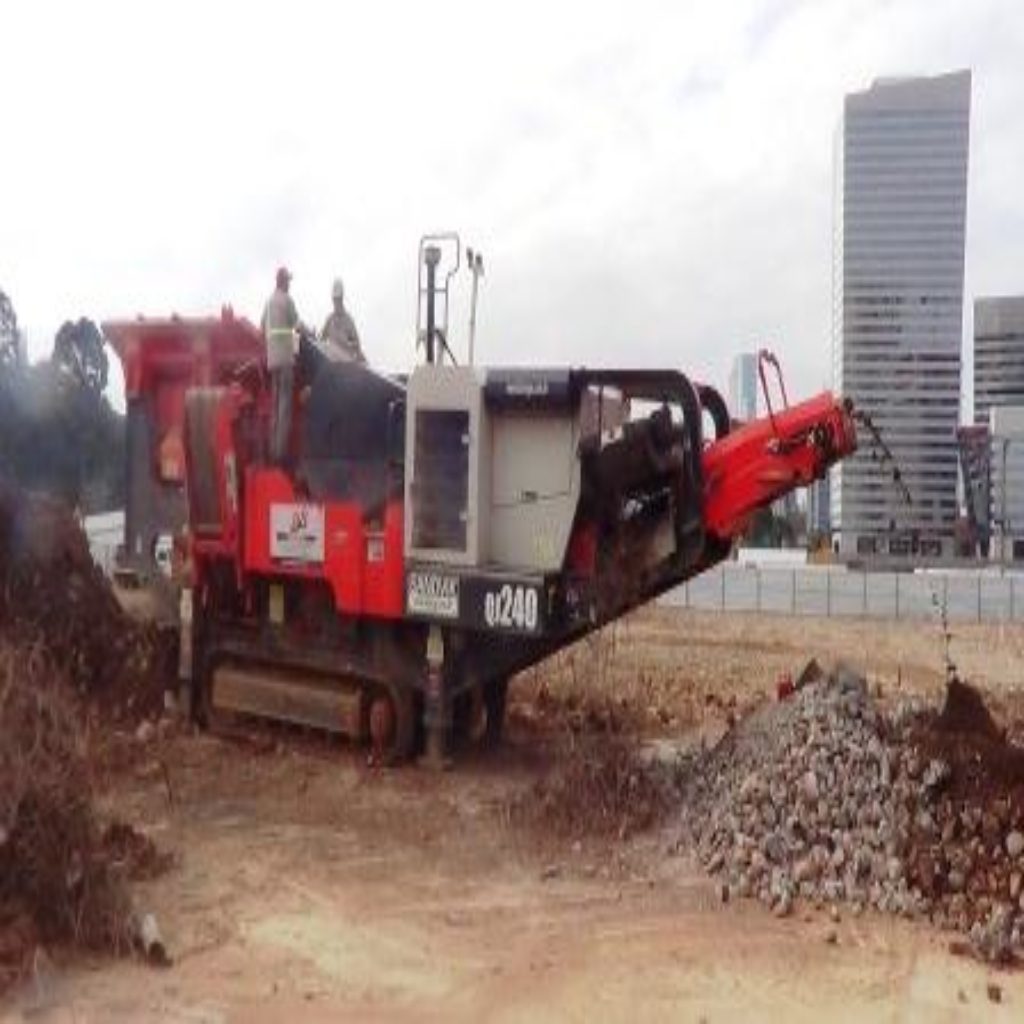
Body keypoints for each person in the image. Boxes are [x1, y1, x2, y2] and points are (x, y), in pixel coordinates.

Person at [260, 266, 301, 464]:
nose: (290, 285)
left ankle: (271, 450)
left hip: (272, 362)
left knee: (274, 409)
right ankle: (280, 456)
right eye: (289, 282)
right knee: (284, 408)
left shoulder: (268, 302)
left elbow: (261, 327)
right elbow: (298, 325)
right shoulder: (287, 300)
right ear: (283, 282)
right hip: (285, 360)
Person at [320, 277, 365, 364]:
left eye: (338, 299)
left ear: (342, 298)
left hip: (345, 365)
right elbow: (321, 340)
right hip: (332, 364)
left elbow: (357, 345)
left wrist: (357, 354)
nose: (336, 302)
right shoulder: (330, 320)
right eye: (335, 299)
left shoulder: (348, 321)